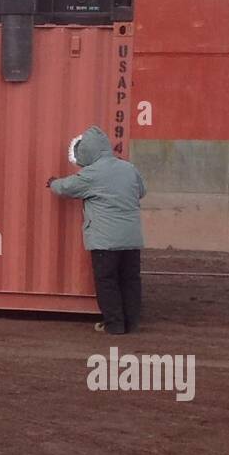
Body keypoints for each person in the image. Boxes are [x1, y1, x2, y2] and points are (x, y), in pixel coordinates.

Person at [47, 125, 146, 335]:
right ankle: (132, 323)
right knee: (130, 280)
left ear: (87, 152)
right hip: (131, 239)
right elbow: (142, 191)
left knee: (107, 281)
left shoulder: (91, 174)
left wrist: (53, 183)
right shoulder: (129, 168)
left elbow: (66, 188)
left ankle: (115, 324)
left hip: (105, 241)